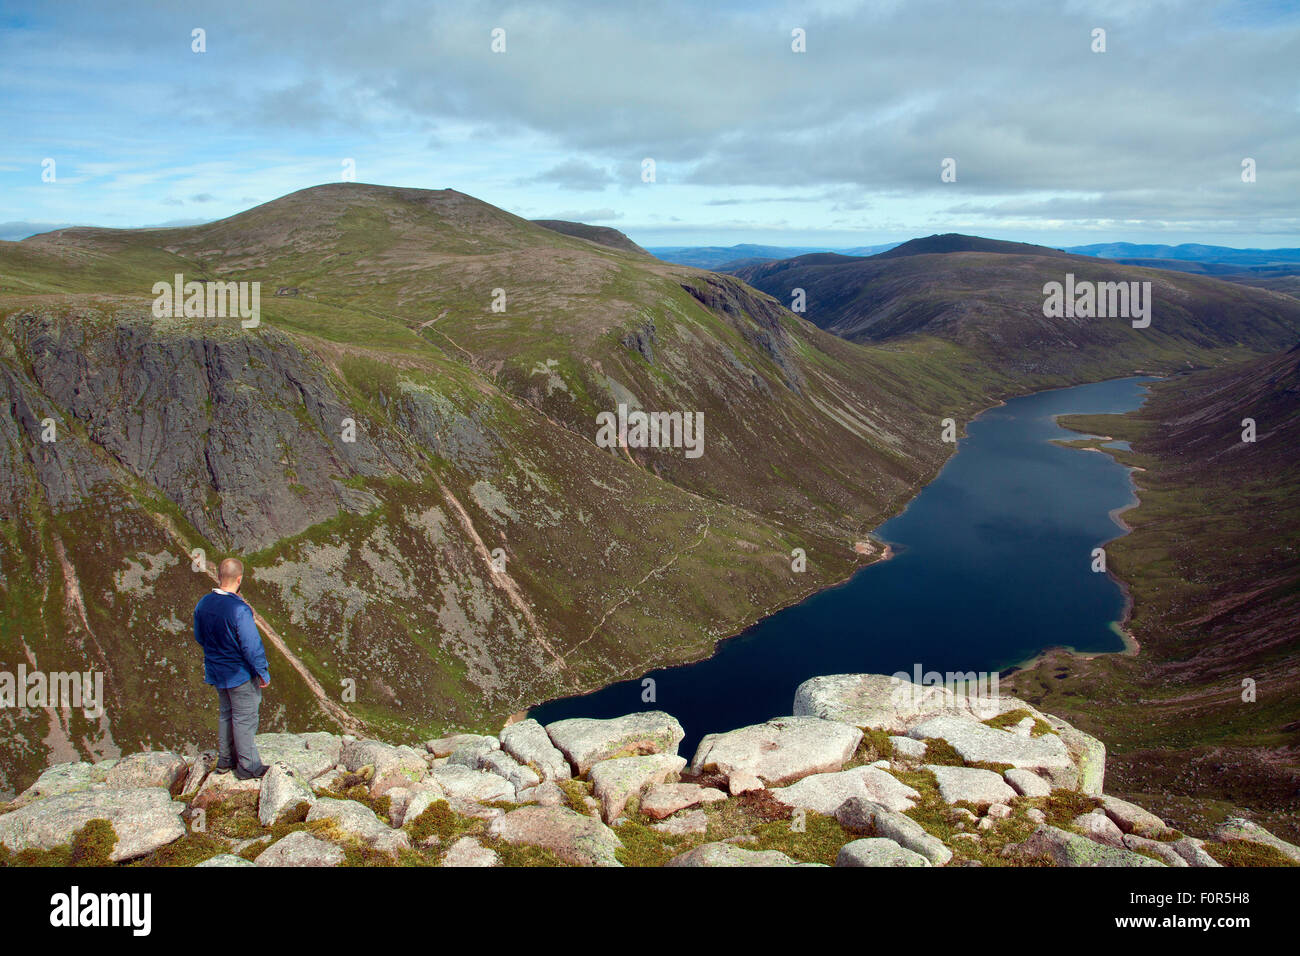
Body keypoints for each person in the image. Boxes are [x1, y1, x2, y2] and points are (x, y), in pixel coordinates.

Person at [193, 557, 270, 779]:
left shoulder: (203, 603)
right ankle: (248, 768)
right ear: (239, 579)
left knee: (226, 714)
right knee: (245, 718)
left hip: (217, 671)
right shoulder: (239, 609)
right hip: (239, 673)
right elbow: (251, 646)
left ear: (218, 577)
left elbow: (200, 636)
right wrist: (262, 672)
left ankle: (225, 761)